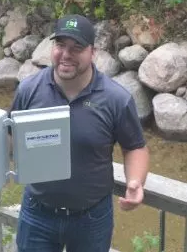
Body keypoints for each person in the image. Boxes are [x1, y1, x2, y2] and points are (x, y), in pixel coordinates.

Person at [9, 14, 149, 252]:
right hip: (37, 212)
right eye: (60, 45)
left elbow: (135, 146)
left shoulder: (116, 99)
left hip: (92, 217)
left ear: (92, 52)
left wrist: (135, 181)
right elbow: (10, 137)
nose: (66, 54)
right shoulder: (29, 89)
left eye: (77, 48)